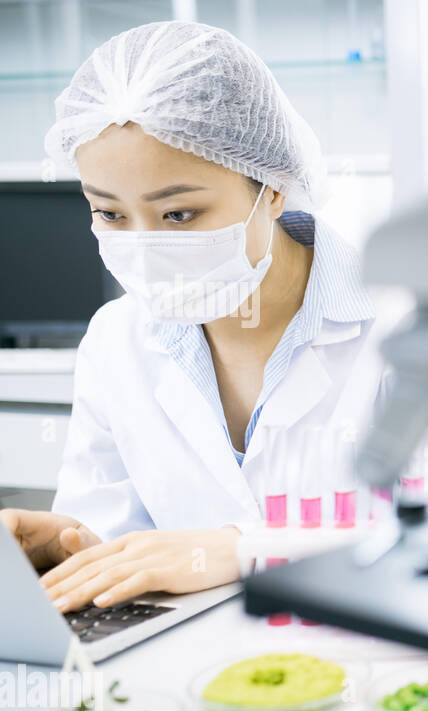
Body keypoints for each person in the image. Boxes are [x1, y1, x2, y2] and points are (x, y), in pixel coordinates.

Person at [0, 21, 391, 613]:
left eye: (178, 214)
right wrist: (77, 547)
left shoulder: (406, 328)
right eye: (109, 213)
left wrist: (245, 550)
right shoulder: (114, 341)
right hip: (188, 663)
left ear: (273, 187)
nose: (144, 247)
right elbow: (130, 538)